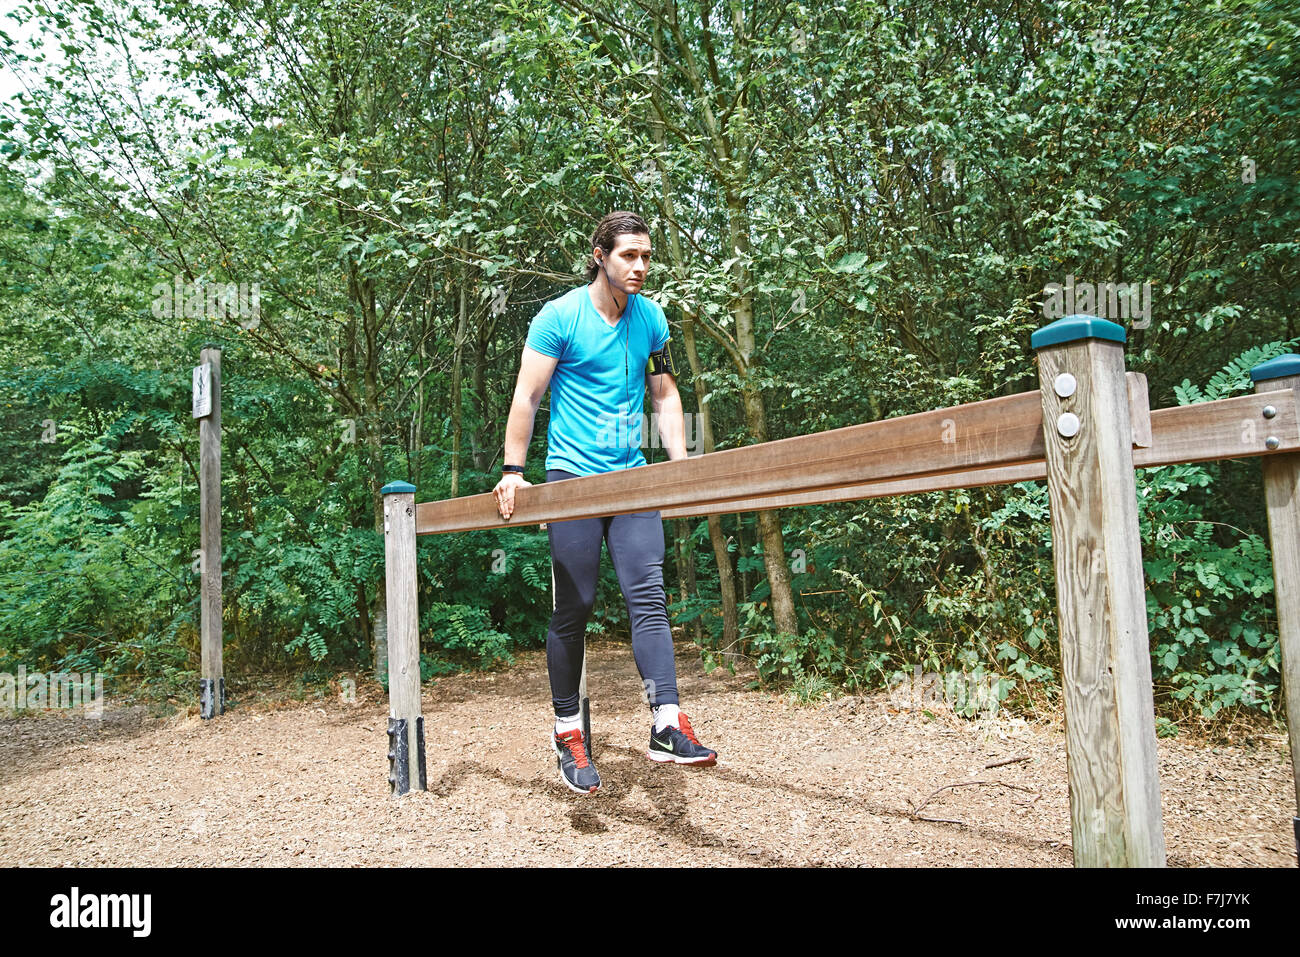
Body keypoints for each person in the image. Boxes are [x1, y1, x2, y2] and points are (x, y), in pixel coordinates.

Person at [493, 210, 718, 795]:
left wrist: (680, 467)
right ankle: (568, 730)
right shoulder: (559, 317)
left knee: (649, 597)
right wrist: (515, 470)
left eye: (647, 256)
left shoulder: (651, 319)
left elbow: (665, 392)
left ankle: (666, 722)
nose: (640, 267)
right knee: (577, 604)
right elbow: (528, 394)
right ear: (600, 256)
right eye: (629, 256)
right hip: (572, 478)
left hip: (633, 478)